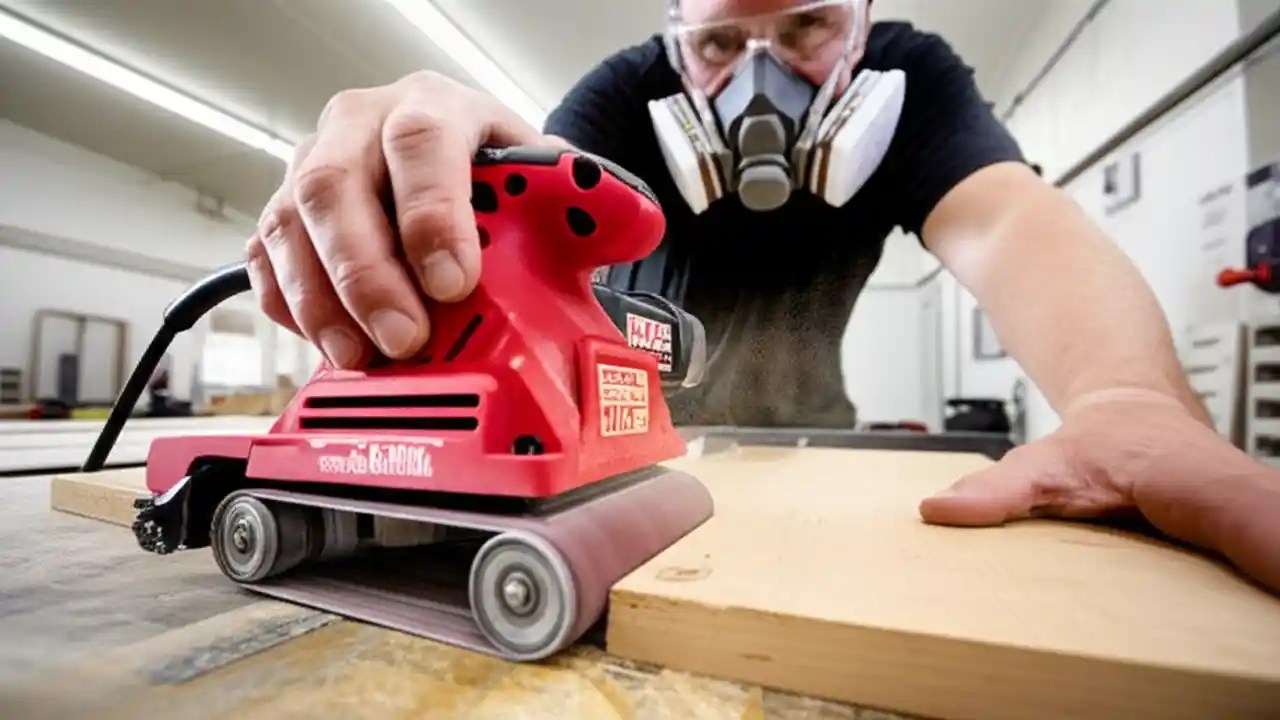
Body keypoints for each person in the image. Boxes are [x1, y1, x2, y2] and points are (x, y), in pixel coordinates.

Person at [242, 0, 1280, 594]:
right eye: (718, 44)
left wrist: (1123, 398)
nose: (759, 79)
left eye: (805, 28)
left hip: (820, 449)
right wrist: (440, 181)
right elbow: (520, 190)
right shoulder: (620, 93)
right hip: (634, 450)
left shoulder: (913, 80)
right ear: (673, 33)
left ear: (864, 25)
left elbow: (1009, 219)